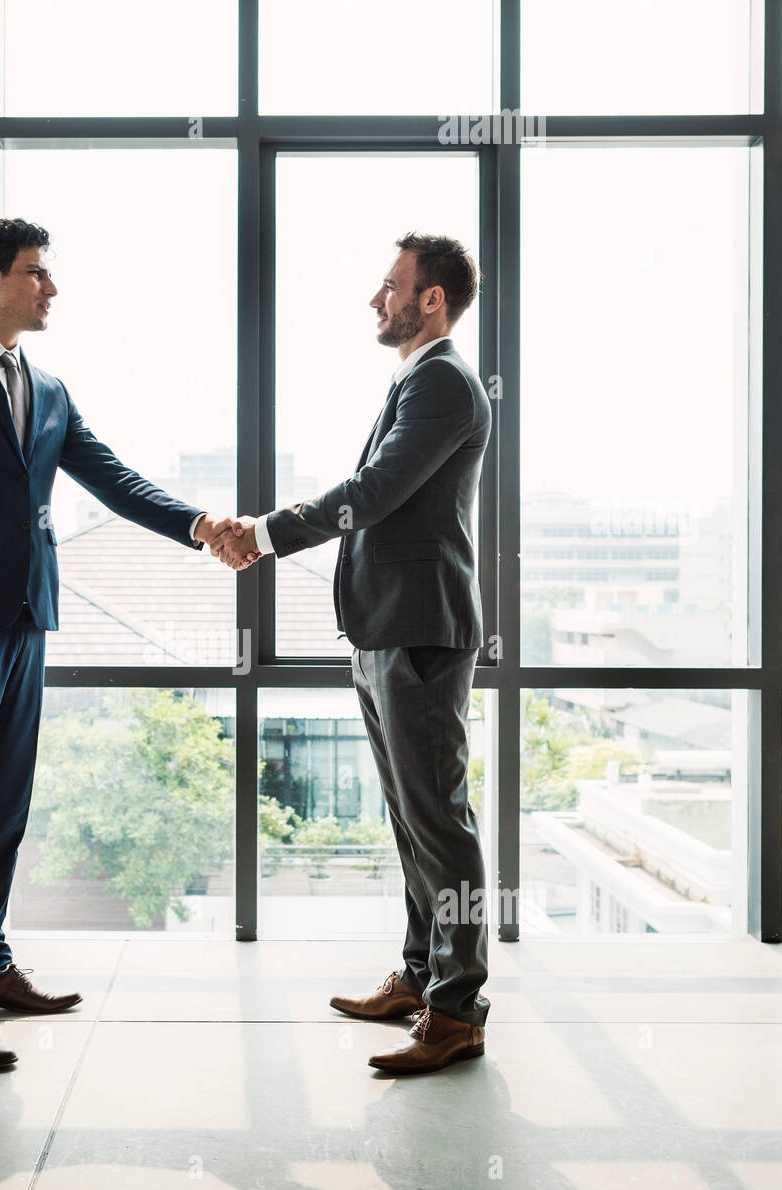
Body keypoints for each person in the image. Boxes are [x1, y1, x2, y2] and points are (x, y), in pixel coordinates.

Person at [0, 215, 236, 1071]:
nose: (49, 287)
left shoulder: (49, 389)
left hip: (27, 616)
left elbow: (112, 477)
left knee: (2, 806)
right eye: (35, 273)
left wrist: (201, 524)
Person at [213, 233, 493, 1075]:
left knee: (439, 817)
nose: (378, 301)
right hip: (386, 629)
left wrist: (262, 534)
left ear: (431, 300)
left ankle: (458, 1006)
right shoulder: (416, 381)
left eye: (390, 286)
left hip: (419, 630)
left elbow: (371, 497)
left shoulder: (443, 382)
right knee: (413, 817)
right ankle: (419, 975)